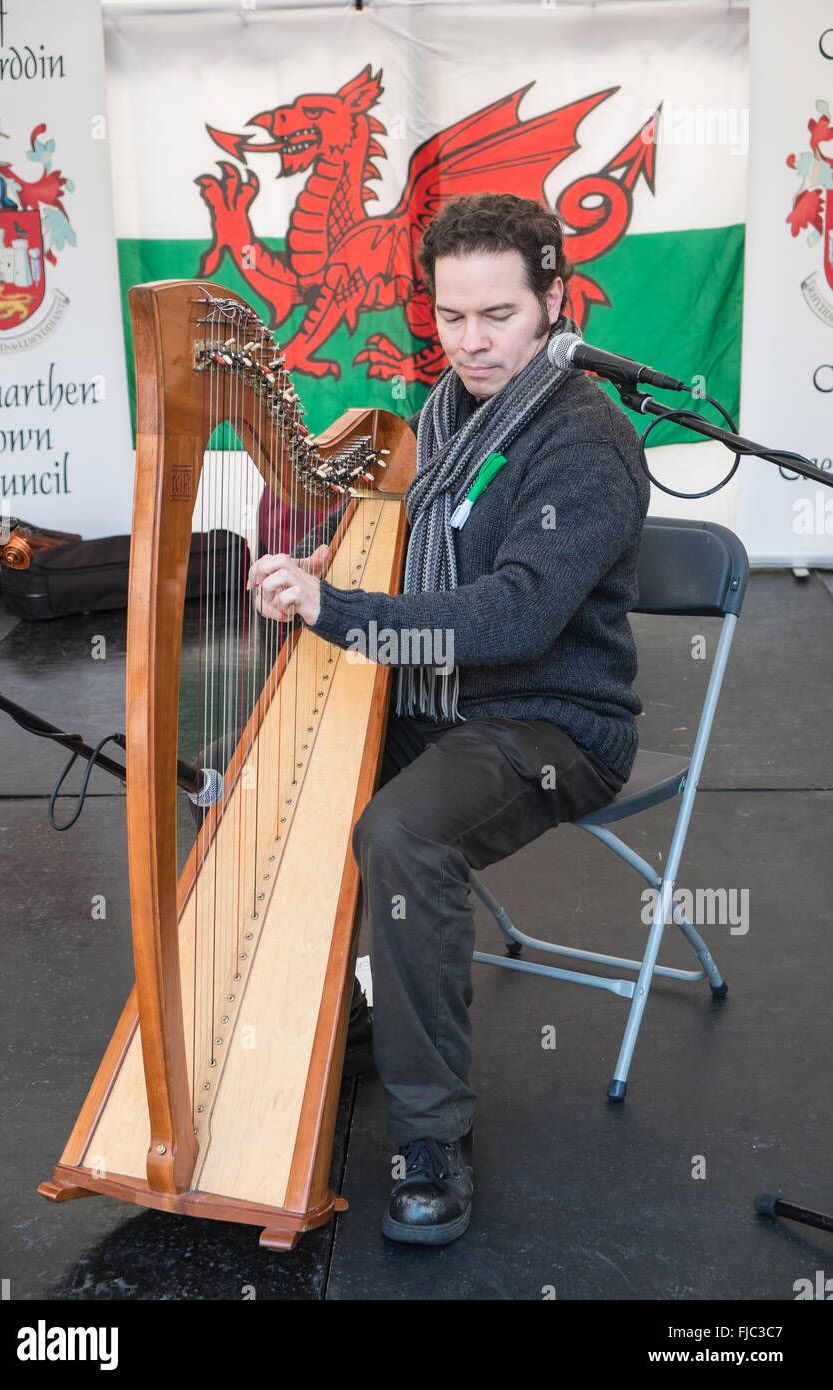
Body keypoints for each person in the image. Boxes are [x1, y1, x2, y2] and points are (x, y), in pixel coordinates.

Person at [247, 191, 650, 1245]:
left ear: (552, 302)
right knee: (238, 780)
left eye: (498, 317)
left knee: (401, 829)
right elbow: (430, 539)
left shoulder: (585, 439)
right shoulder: (443, 412)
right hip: (443, 699)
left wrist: (340, 612)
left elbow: (514, 615)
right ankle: (361, 1016)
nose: (470, 343)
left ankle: (430, 1137)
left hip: (552, 725)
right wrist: (331, 561)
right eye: (451, 316)